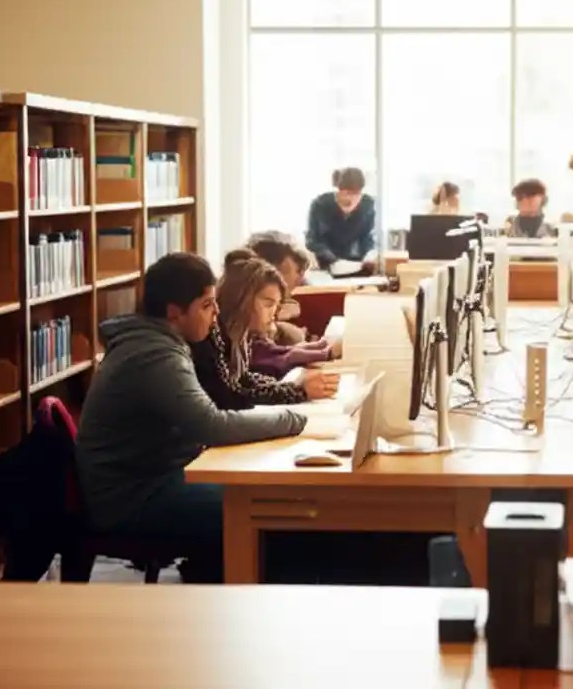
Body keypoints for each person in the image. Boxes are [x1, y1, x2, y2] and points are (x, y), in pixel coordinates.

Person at [74, 253, 309, 582]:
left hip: (152, 478)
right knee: (255, 510)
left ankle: (216, 582)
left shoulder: (156, 342)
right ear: (174, 312)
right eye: (206, 305)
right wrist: (293, 420)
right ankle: (220, 594)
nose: (215, 315)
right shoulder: (154, 354)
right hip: (134, 496)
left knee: (258, 498)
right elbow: (211, 424)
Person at [192, 257, 339, 410]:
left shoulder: (241, 336)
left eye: (276, 305)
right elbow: (231, 395)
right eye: (268, 304)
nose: (274, 314)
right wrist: (299, 391)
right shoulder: (212, 335)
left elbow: (244, 379)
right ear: (243, 299)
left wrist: (291, 386)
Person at [306, 167, 377, 276]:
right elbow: (312, 240)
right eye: (347, 193)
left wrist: (369, 255)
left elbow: (368, 237)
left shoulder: (367, 205)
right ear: (338, 190)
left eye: (356, 194)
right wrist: (334, 260)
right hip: (326, 266)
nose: (352, 199)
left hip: (357, 265)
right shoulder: (320, 205)